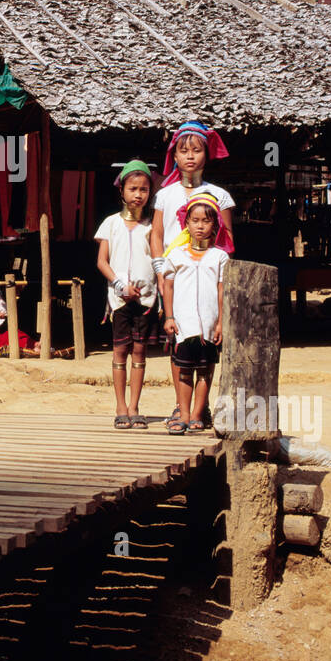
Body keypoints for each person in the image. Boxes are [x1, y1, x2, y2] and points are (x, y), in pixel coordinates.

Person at [150, 120, 235, 430]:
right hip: (175, 274)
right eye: (183, 151)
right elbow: (157, 234)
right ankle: (180, 406)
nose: (190, 156)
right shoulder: (165, 194)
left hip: (208, 272)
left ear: (206, 154)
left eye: (196, 150)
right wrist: (160, 270)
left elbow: (226, 238)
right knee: (178, 339)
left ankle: (200, 408)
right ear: (174, 155)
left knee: (206, 338)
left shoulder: (219, 195)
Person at [95, 160, 158, 429]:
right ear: (122, 191)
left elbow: (158, 258)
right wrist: (120, 285)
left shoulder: (153, 226)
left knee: (141, 350)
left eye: (144, 189)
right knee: (120, 350)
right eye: (132, 188)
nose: (138, 194)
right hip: (119, 299)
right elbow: (102, 262)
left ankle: (135, 406)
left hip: (146, 298)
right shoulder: (111, 223)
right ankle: (120, 406)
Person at [158, 193, 228, 434]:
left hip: (209, 326)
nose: (200, 226)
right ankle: (184, 414)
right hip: (183, 325)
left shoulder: (220, 257)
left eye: (206, 221)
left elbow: (221, 289)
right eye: (195, 220)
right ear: (185, 223)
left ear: (215, 225)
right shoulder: (175, 255)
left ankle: (198, 415)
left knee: (205, 371)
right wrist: (169, 317)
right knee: (185, 372)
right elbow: (168, 286)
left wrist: (220, 322)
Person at [0, 289, 39, 354]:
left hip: (13, 329)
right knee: (16, 340)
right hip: (0, 333)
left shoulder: (16, 298)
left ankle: (35, 345)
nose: (18, 291)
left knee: (23, 337)